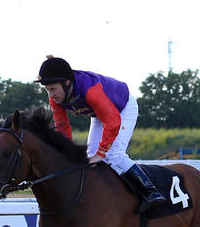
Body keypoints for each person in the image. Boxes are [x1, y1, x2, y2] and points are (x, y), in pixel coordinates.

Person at [35, 56, 169, 212]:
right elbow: (63, 127)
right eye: (47, 90)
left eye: (53, 89)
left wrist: (102, 151)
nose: (51, 95)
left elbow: (113, 122)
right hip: (99, 113)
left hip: (122, 109)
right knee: (91, 155)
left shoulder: (91, 91)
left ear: (67, 83)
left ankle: (151, 192)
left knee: (114, 154)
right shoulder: (55, 99)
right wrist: (67, 154)